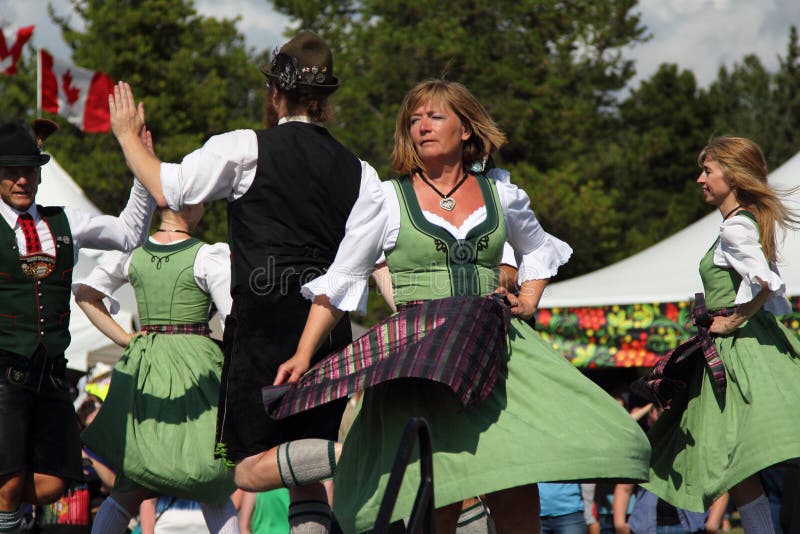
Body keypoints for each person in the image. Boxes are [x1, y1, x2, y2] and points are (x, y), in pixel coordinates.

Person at [271, 79, 651, 533]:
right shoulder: (387, 199)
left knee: (512, 479)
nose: (422, 127)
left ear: (466, 130)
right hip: (423, 359)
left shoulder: (501, 195)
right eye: (414, 119)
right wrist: (302, 353)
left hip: (496, 351)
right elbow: (344, 279)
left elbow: (540, 250)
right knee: (438, 491)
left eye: (435, 117)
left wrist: (529, 298)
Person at [107, 31, 381, 533]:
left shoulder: (244, 148)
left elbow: (171, 187)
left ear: (276, 93)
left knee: (247, 468)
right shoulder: (361, 172)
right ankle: (346, 452)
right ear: (324, 102)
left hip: (263, 328)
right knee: (304, 479)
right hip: (326, 330)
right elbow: (358, 268)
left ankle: (359, 452)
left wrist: (126, 135)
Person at [0, 119, 154, 534]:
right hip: (3, 375)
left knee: (53, 485)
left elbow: (128, 233)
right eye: (11, 171)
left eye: (29, 170)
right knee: (9, 483)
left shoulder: (65, 222)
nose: (21, 179)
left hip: (50, 375)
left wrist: (143, 169)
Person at [642, 136, 800, 534]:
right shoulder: (748, 221)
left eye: (707, 170)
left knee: (735, 454)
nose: (700, 179)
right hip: (745, 348)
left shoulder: (735, 229)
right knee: (737, 460)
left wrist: (733, 319)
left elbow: (767, 284)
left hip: (740, 353)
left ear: (732, 175)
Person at [73, 198, 239, 534]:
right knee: (212, 481)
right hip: (196, 369)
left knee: (129, 485)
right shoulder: (208, 255)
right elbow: (237, 317)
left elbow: (86, 295)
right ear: (193, 207)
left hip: (144, 369)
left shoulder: (134, 252)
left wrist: (129, 340)